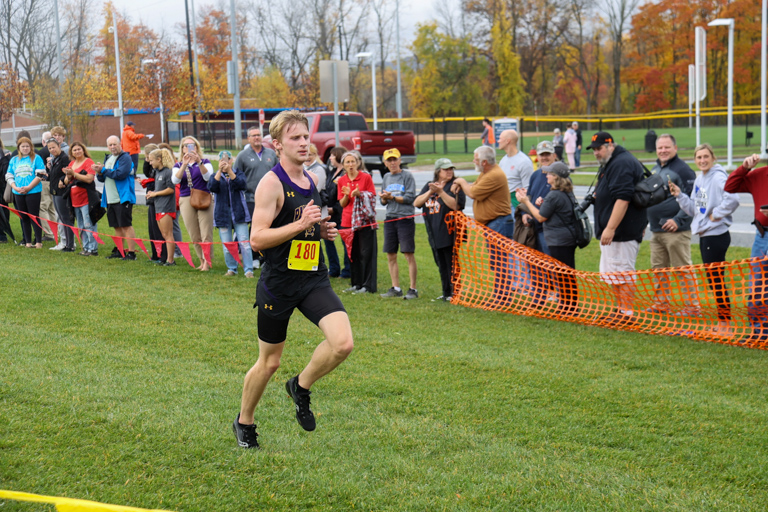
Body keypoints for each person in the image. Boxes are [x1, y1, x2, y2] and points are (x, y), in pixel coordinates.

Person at [233, 110, 353, 449]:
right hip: (280, 284)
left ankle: (300, 386)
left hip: (313, 279)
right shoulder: (272, 183)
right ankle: (245, 422)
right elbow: (257, 239)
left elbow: (307, 224)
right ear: (277, 144)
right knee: (270, 362)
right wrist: (301, 226)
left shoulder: (310, 180)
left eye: (306, 137)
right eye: (295, 138)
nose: (304, 143)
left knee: (343, 343)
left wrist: (321, 230)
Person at [670, 143, 739, 337]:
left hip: (716, 235)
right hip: (704, 234)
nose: (702, 160)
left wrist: (716, 215)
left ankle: (725, 325)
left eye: (706, 157)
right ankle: (722, 322)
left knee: (717, 281)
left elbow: (732, 200)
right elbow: (696, 209)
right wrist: (680, 196)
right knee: (713, 280)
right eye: (699, 157)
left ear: (713, 158)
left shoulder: (718, 177)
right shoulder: (700, 179)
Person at [588, 131, 648, 323]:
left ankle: (627, 313)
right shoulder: (614, 161)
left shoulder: (621, 163)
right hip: (619, 231)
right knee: (614, 271)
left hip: (623, 231)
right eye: (594, 149)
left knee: (623, 270)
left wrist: (610, 228)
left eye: (599, 148)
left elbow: (623, 199)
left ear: (610, 146)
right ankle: (621, 310)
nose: (596, 152)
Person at [451, 146, 513, 304]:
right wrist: (464, 185)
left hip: (499, 222)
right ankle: (501, 296)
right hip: (493, 223)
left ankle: (502, 298)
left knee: (500, 263)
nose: (473, 161)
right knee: (496, 262)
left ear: (484, 162)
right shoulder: (486, 173)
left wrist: (460, 181)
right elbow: (474, 188)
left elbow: (473, 193)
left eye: (476, 159)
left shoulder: (494, 175)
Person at [516, 161, 579, 315]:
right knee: (567, 273)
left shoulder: (554, 195)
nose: (547, 175)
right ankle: (569, 307)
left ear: (556, 177)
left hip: (559, 240)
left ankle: (567, 308)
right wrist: (543, 203)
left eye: (550, 173)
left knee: (562, 275)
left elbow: (540, 217)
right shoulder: (564, 193)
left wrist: (526, 202)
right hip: (567, 238)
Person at [646, 134, 697, 312]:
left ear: (675, 148)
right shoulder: (655, 169)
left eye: (667, 147)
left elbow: (693, 200)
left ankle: (692, 307)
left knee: (682, 269)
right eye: (660, 148)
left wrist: (678, 220)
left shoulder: (683, 170)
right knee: (659, 269)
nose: (663, 151)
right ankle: (661, 304)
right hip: (656, 230)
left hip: (676, 231)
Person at [725, 153, 768, 343]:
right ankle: (759, 331)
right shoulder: (759, 174)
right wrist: (744, 167)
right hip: (761, 237)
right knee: (757, 285)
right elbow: (730, 187)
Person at [414, 158, 465, 301]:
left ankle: (456, 292)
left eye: (451, 169)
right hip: (434, 232)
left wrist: (441, 192)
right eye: (446, 169)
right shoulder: (430, 186)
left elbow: (456, 205)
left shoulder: (455, 185)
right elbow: (417, 202)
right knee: (440, 263)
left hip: (450, 231)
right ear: (438, 171)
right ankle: (446, 292)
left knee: (451, 263)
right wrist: (431, 191)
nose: (449, 172)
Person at [379, 148, 418, 299]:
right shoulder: (387, 177)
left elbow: (409, 198)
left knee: (408, 253)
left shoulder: (407, 176)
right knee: (391, 254)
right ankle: (396, 287)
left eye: (395, 159)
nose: (392, 163)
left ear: (400, 160)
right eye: (389, 160)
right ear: (385, 163)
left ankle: (413, 289)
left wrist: (392, 197)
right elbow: (383, 201)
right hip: (390, 218)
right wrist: (384, 197)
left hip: (405, 218)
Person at [209, 150, 253, 277]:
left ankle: (248, 269)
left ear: (231, 160)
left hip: (239, 213)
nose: (224, 162)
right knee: (227, 244)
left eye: (227, 159)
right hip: (222, 214)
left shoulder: (238, 173)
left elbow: (241, 184)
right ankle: (232, 268)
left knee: (244, 243)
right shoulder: (215, 175)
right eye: (221, 160)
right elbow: (212, 187)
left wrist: (229, 171)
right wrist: (219, 171)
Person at [93, 135, 139, 260]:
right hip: (110, 198)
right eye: (110, 145)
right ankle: (120, 251)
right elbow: (102, 178)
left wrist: (103, 169)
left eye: (115, 144)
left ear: (120, 144)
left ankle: (131, 253)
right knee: (116, 226)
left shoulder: (125, 158)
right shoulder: (108, 158)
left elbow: (120, 174)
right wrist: (99, 172)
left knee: (126, 225)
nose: (112, 147)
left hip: (122, 197)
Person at [173, 136, 214, 271]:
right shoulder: (178, 165)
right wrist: (184, 164)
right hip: (186, 198)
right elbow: (175, 180)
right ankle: (201, 261)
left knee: (205, 232)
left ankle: (207, 263)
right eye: (186, 145)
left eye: (192, 145)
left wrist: (199, 162)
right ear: (182, 149)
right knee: (193, 233)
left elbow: (208, 177)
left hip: (203, 197)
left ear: (196, 147)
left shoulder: (205, 162)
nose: (189, 148)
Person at [338, 151, 377, 293]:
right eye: (347, 162)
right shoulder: (342, 180)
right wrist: (348, 194)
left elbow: (372, 197)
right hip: (347, 221)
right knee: (352, 254)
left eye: (353, 161)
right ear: (343, 165)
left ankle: (368, 285)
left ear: (358, 163)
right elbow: (342, 203)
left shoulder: (366, 177)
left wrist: (360, 194)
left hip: (363, 222)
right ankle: (356, 283)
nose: (350, 165)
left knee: (365, 253)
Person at [6, 136, 45, 248]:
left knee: (34, 216)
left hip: (33, 192)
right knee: (24, 217)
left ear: (31, 147)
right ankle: (27, 242)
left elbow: (40, 174)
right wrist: (15, 187)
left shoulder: (36, 158)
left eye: (27, 146)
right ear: (19, 147)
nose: (25, 148)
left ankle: (38, 241)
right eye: (23, 146)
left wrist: (29, 187)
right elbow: (9, 175)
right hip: (18, 192)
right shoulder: (14, 160)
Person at [62, 142, 98, 256]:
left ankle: (93, 249)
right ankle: (86, 247)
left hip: (86, 198)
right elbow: (67, 182)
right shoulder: (72, 163)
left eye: (79, 149)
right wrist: (68, 175)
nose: (77, 152)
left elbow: (89, 179)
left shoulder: (88, 162)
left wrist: (74, 174)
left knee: (89, 224)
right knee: (81, 225)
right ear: (71, 152)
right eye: (74, 150)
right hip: (75, 199)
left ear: (83, 150)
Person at [234, 126, 278, 220]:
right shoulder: (242, 156)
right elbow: (236, 176)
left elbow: (279, 174)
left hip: (270, 198)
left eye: (258, 135)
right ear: (248, 138)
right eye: (253, 135)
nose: (256, 137)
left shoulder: (271, 154)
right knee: (254, 228)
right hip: (251, 199)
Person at [145, 148, 177, 266]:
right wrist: (152, 193)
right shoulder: (157, 172)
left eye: (152, 160)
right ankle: (165, 258)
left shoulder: (168, 172)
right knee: (163, 234)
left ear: (159, 159)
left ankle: (170, 260)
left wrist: (156, 193)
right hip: (159, 207)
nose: (150, 162)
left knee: (168, 234)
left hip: (166, 208)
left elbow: (170, 189)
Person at [45, 138, 75, 252]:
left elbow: (68, 172)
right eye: (50, 148)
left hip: (62, 192)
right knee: (61, 218)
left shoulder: (64, 158)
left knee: (66, 218)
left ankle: (70, 245)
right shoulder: (54, 159)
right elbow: (54, 174)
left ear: (59, 146)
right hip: (55, 191)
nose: (52, 150)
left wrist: (62, 179)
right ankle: (66, 243)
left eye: (54, 147)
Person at [322, 146, 346, 278]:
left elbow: (342, 194)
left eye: (332, 155)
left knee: (344, 240)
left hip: (340, 213)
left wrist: (335, 208)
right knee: (328, 240)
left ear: (338, 156)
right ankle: (334, 268)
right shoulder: (332, 172)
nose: (330, 158)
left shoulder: (344, 173)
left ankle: (347, 270)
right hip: (329, 213)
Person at [498, 129, 534, 209]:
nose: (498, 141)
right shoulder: (503, 160)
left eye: (500, 138)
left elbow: (528, 189)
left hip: (516, 205)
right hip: (503, 203)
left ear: (508, 141)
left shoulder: (524, 161)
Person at [141, 143, 164, 262]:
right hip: (151, 200)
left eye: (148, 158)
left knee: (159, 230)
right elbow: (146, 172)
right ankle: (155, 254)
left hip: (159, 201)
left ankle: (162, 255)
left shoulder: (161, 169)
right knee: (152, 229)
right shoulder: (152, 168)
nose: (148, 161)